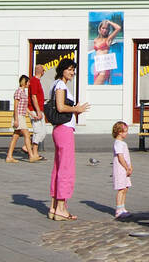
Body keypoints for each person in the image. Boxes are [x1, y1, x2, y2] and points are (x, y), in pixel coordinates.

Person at [49, 58, 90, 220]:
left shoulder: (55, 84)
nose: (72, 72)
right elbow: (60, 107)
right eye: (70, 69)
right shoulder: (60, 85)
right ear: (63, 70)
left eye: (73, 69)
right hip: (64, 129)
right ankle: (61, 207)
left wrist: (75, 111)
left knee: (58, 167)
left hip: (60, 129)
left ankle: (54, 206)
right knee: (66, 168)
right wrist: (76, 109)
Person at [6, 76, 40, 163]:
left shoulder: (23, 92)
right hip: (19, 116)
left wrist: (32, 114)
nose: (29, 84)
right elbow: (16, 106)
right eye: (28, 82)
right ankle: (31, 155)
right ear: (24, 82)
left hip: (22, 116)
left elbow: (24, 107)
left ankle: (9, 156)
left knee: (15, 136)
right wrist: (16, 119)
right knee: (27, 135)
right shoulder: (18, 92)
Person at [92, 18, 122, 85]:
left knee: (95, 87)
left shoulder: (108, 39)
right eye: (103, 28)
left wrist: (109, 22)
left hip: (104, 67)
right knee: (97, 89)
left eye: (107, 28)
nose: (105, 30)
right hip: (97, 66)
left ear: (109, 30)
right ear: (99, 29)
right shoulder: (95, 40)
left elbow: (118, 28)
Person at [112, 121, 132, 218]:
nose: (126, 133)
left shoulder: (122, 143)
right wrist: (126, 167)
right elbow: (120, 157)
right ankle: (119, 209)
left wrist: (130, 166)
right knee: (121, 188)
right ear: (120, 132)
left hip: (125, 169)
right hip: (120, 169)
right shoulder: (118, 143)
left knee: (125, 188)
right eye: (125, 131)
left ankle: (123, 207)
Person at [29, 63, 47, 159]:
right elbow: (33, 96)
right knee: (38, 131)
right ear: (42, 72)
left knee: (43, 131)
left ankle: (29, 148)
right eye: (44, 70)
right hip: (35, 110)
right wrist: (38, 111)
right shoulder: (34, 81)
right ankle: (34, 152)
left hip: (39, 109)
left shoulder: (37, 81)